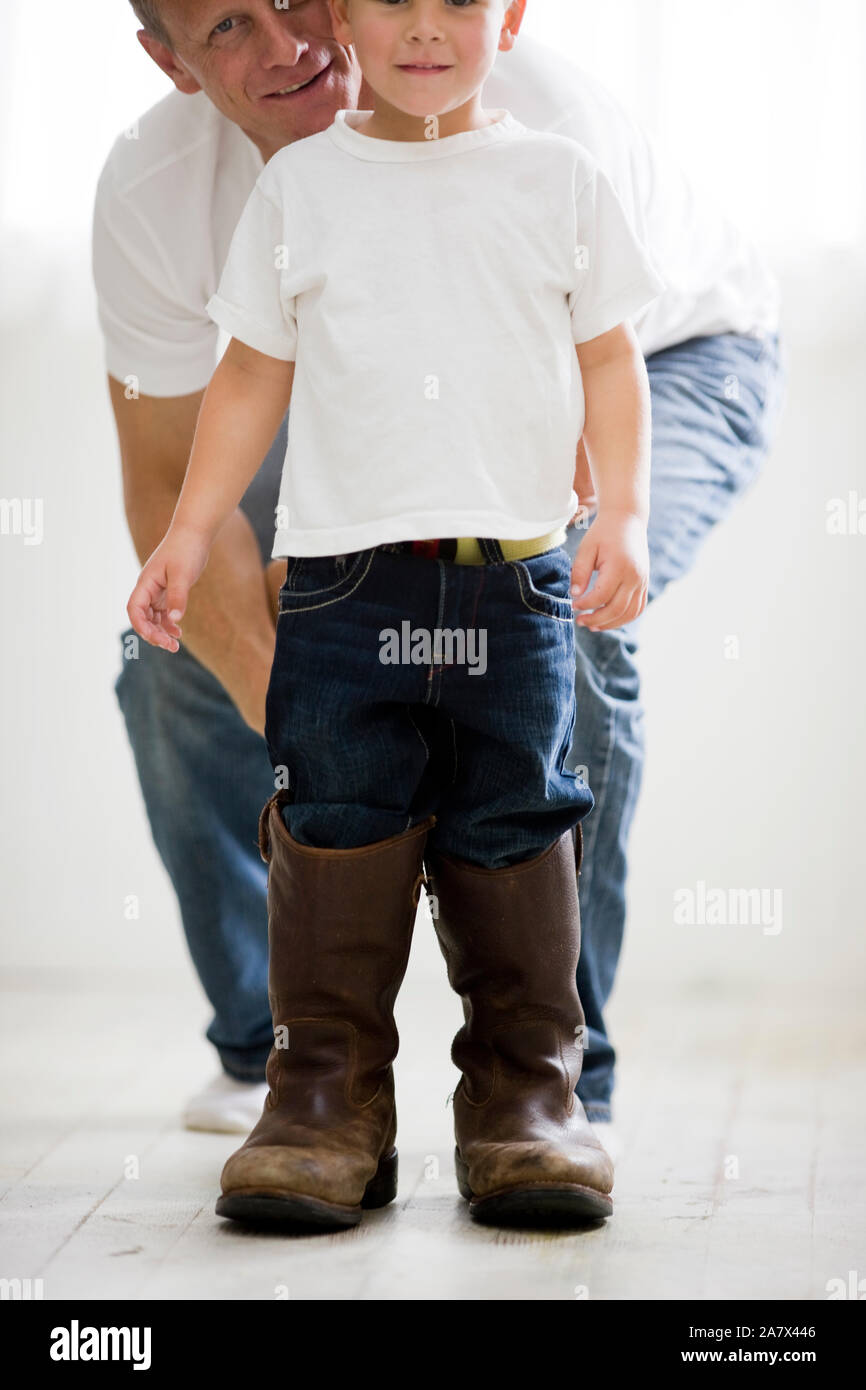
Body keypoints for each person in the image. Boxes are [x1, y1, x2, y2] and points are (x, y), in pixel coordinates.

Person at [94, 0, 786, 1147]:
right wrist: (328, 721)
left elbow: (589, 377)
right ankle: (288, 1060)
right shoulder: (157, 193)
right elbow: (174, 480)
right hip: (373, 371)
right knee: (168, 654)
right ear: (168, 63)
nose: (286, 44)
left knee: (556, 629)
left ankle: (558, 1076)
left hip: (661, 360)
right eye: (225, 27)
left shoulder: (533, 122)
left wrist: (585, 537)